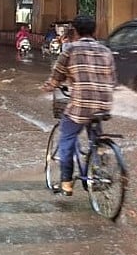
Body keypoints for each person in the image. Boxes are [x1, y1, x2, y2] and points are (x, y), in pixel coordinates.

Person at [40, 15, 115, 197]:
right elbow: (112, 80)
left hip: (81, 104)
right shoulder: (106, 51)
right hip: (104, 104)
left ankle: (66, 182)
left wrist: (47, 87)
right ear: (94, 31)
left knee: (66, 138)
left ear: (75, 31)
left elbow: (57, 76)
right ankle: (99, 166)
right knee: (95, 136)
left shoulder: (70, 50)